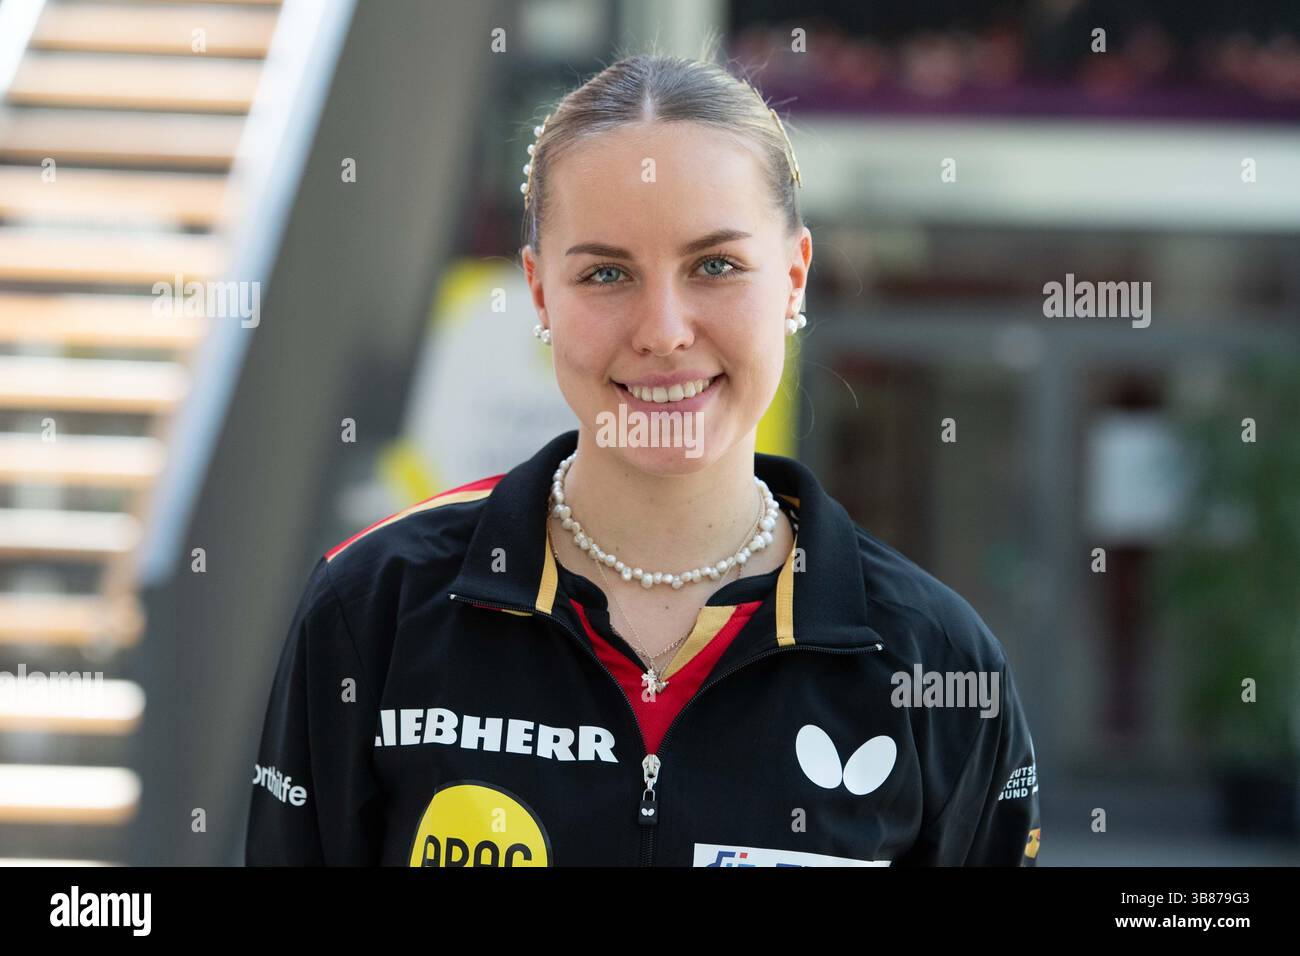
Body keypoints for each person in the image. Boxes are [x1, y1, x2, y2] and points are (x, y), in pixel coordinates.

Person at [245, 50, 1041, 867]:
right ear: (541, 293)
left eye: (716, 266)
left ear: (795, 278)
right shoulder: (374, 607)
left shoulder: (936, 662)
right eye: (606, 273)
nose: (663, 330)